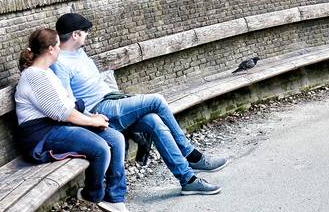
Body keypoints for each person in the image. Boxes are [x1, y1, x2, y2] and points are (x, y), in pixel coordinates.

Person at [52, 13, 227, 196]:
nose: (87, 35)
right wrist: (91, 118)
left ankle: (188, 179)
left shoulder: (79, 51)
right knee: (156, 100)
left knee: (153, 121)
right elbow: (68, 103)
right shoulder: (60, 64)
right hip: (100, 110)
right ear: (75, 34)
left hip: (113, 100)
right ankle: (191, 154)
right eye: (85, 32)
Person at [14, 28, 129, 212]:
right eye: (59, 45)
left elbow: (67, 104)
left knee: (116, 139)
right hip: (42, 136)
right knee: (100, 148)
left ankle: (115, 197)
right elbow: (62, 112)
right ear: (51, 49)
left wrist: (90, 116)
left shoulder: (47, 72)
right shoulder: (33, 75)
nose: (61, 49)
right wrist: (93, 122)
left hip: (58, 125)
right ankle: (92, 195)